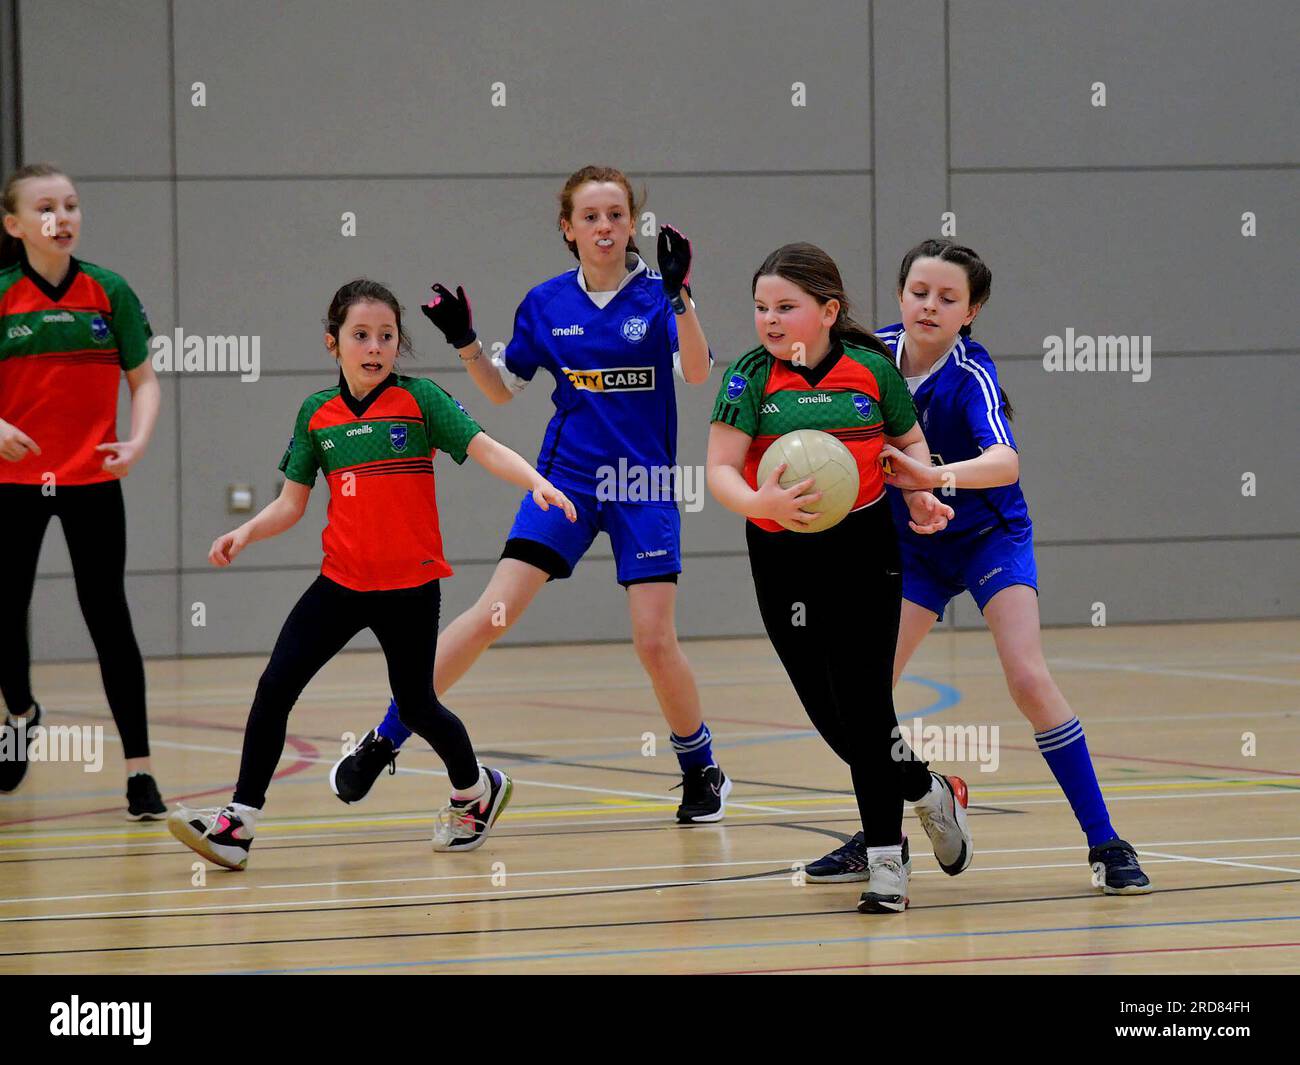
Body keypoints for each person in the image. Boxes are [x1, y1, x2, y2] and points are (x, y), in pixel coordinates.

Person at [330, 165, 732, 823]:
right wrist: (464, 342)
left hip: (643, 487)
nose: (604, 227)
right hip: (565, 480)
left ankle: (700, 767)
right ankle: (387, 736)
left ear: (632, 222)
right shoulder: (546, 303)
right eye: (590, 216)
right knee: (493, 612)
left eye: (615, 214)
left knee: (654, 639)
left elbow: (694, 372)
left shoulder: (662, 293)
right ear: (567, 229)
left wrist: (683, 295)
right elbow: (499, 389)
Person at [167, 279, 576, 870]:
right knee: (275, 687)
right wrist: (245, 532)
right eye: (361, 335)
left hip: (409, 588)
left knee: (415, 706)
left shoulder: (421, 401)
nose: (375, 346)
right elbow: (291, 504)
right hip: (340, 584)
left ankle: (474, 790)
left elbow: (486, 448)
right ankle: (239, 824)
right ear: (333, 343)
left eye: (386, 335)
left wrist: (538, 483)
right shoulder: (317, 414)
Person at [840, 237, 1149, 894]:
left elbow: (1005, 461)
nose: (930, 305)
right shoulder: (868, 358)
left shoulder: (970, 373)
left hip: (988, 537)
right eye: (920, 291)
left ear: (970, 310)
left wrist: (933, 473)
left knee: (1028, 676)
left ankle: (1106, 840)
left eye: (948, 298)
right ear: (900, 295)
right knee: (861, 698)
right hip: (912, 549)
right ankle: (890, 825)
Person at [706, 242, 967, 914]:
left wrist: (920, 493)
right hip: (782, 554)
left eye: (785, 307)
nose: (769, 318)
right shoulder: (748, 377)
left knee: (866, 706)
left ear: (827, 310)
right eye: (761, 306)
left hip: (863, 548)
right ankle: (926, 788)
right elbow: (720, 470)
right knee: (829, 713)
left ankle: (886, 863)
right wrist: (759, 502)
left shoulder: (872, 371)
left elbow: (908, 448)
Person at [0, 162, 166, 819]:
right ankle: (20, 712)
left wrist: (137, 441)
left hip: (92, 478)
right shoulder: (4, 295)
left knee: (109, 617)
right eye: (45, 208)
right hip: (14, 481)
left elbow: (144, 379)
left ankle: (140, 772)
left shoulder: (110, 291)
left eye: (70, 205)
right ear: (14, 225)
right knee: (4, 611)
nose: (61, 217)